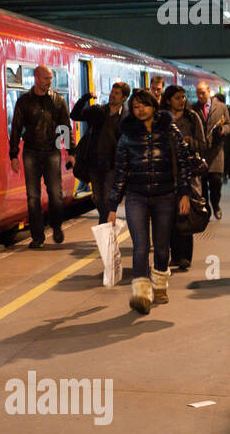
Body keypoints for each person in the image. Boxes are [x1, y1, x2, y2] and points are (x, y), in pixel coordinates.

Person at [107, 89, 206, 314]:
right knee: (140, 246)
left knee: (162, 247)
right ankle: (141, 293)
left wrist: (183, 194)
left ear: (153, 106)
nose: (140, 110)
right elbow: (121, 173)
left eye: (144, 105)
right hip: (136, 197)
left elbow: (182, 166)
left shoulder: (170, 132)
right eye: (136, 107)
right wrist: (112, 206)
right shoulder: (127, 136)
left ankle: (160, 285)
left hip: (165, 196)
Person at [8, 64, 73, 248]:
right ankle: (38, 237)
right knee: (33, 196)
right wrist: (13, 154)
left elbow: (65, 127)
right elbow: (16, 127)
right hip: (31, 152)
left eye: (51, 78)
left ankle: (57, 226)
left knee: (55, 193)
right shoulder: (24, 102)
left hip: (52, 151)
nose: (50, 82)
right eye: (46, 78)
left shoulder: (58, 100)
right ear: (37, 78)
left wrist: (71, 152)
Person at [70, 80, 130, 223]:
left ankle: (104, 226)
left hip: (113, 164)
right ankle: (107, 225)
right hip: (94, 163)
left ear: (124, 98)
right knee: (97, 198)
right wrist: (84, 98)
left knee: (106, 197)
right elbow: (75, 115)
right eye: (111, 92)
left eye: (117, 93)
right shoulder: (98, 111)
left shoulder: (127, 117)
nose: (112, 95)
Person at [162, 84, 206, 272]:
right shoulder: (162, 119)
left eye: (183, 97)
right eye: (178, 98)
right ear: (168, 100)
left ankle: (185, 256)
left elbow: (203, 144)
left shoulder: (192, 117)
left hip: (188, 171)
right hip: (166, 171)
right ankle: (175, 254)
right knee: (170, 214)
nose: (182, 101)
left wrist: (190, 141)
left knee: (186, 211)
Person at [193, 81, 230, 219]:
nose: (200, 96)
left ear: (209, 92)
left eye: (203, 93)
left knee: (216, 182)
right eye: (198, 93)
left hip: (216, 152)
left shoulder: (221, 107)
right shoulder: (193, 108)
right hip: (201, 152)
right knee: (202, 185)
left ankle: (215, 203)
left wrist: (223, 130)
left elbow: (229, 124)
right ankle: (208, 209)